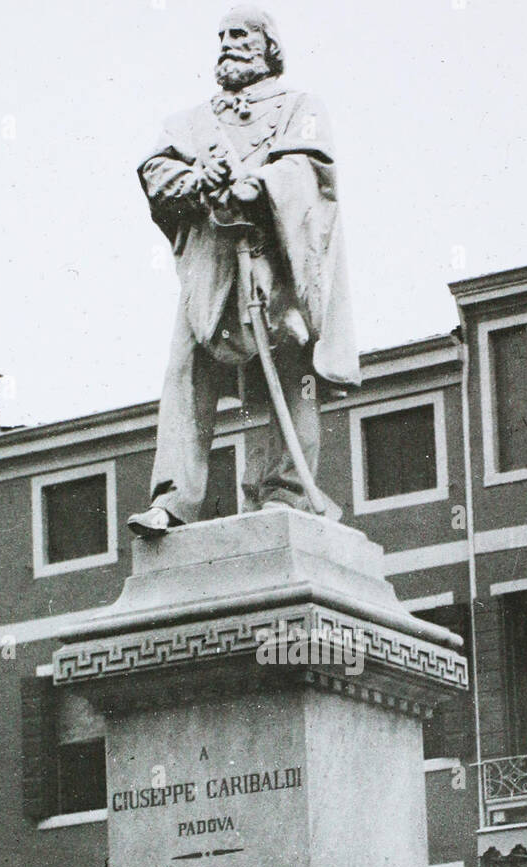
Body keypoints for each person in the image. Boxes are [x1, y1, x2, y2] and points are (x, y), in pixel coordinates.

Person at [127, 7, 360, 537]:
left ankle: (285, 493)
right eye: (222, 36)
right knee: (187, 372)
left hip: (277, 267)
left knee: (290, 373)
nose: (227, 44)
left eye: (240, 34)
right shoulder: (191, 121)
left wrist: (257, 185)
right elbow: (156, 172)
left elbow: (308, 170)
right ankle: (173, 499)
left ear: (268, 45)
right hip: (211, 270)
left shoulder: (301, 107)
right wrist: (197, 179)